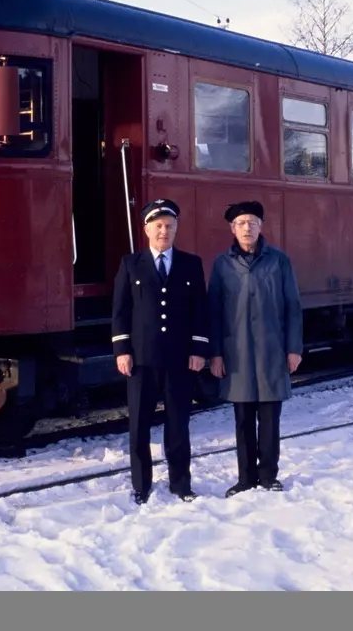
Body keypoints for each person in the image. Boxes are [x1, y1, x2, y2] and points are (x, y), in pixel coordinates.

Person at [111, 198, 210, 505]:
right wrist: (122, 350)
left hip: (180, 360)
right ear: (146, 229)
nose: (163, 232)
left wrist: (198, 349)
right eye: (158, 226)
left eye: (169, 226)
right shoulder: (131, 264)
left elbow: (200, 311)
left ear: (176, 229)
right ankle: (141, 485)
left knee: (178, 424)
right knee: (138, 425)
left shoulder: (191, 264)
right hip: (141, 360)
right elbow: (120, 312)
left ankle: (181, 484)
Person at [208, 200, 303, 497]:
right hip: (236, 354)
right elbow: (214, 311)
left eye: (251, 222)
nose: (246, 228)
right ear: (232, 229)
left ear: (261, 226)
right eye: (240, 223)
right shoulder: (222, 265)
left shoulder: (279, 261)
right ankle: (245, 477)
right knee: (243, 419)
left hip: (272, 350)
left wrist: (294, 348)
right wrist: (216, 353)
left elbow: (293, 307)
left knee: (270, 418)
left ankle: (268, 475)